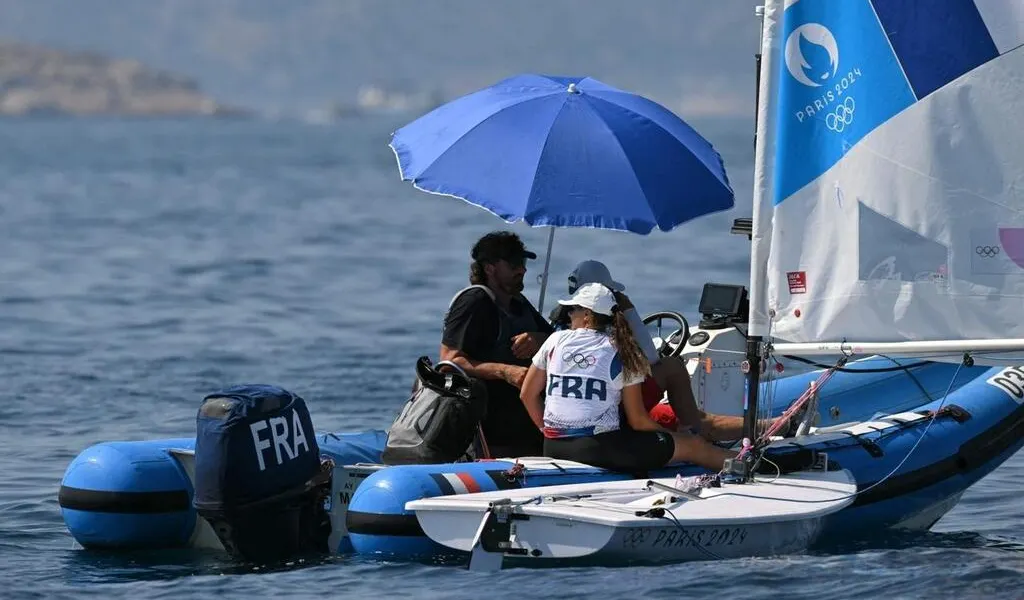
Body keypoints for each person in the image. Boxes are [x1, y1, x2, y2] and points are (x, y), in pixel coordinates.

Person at [552, 259, 793, 441]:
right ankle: (770, 426)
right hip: (615, 411)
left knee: (694, 419)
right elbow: (650, 358)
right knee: (676, 374)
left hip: (580, 413)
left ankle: (773, 424)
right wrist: (629, 310)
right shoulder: (608, 335)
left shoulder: (560, 330)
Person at [520, 283, 735, 472]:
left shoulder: (554, 340)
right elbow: (638, 420)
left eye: (572, 309)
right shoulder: (624, 350)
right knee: (695, 445)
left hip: (552, 446)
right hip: (597, 448)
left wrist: (546, 431)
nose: (569, 315)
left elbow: (527, 395)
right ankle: (747, 468)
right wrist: (673, 438)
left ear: (587, 315)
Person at [440, 231, 554, 458]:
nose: (522, 270)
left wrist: (539, 339)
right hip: (488, 435)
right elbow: (449, 361)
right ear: (489, 268)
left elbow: (558, 340)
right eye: (513, 264)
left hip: (528, 431)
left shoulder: (519, 303)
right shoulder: (474, 302)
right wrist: (505, 371)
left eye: (522, 263)